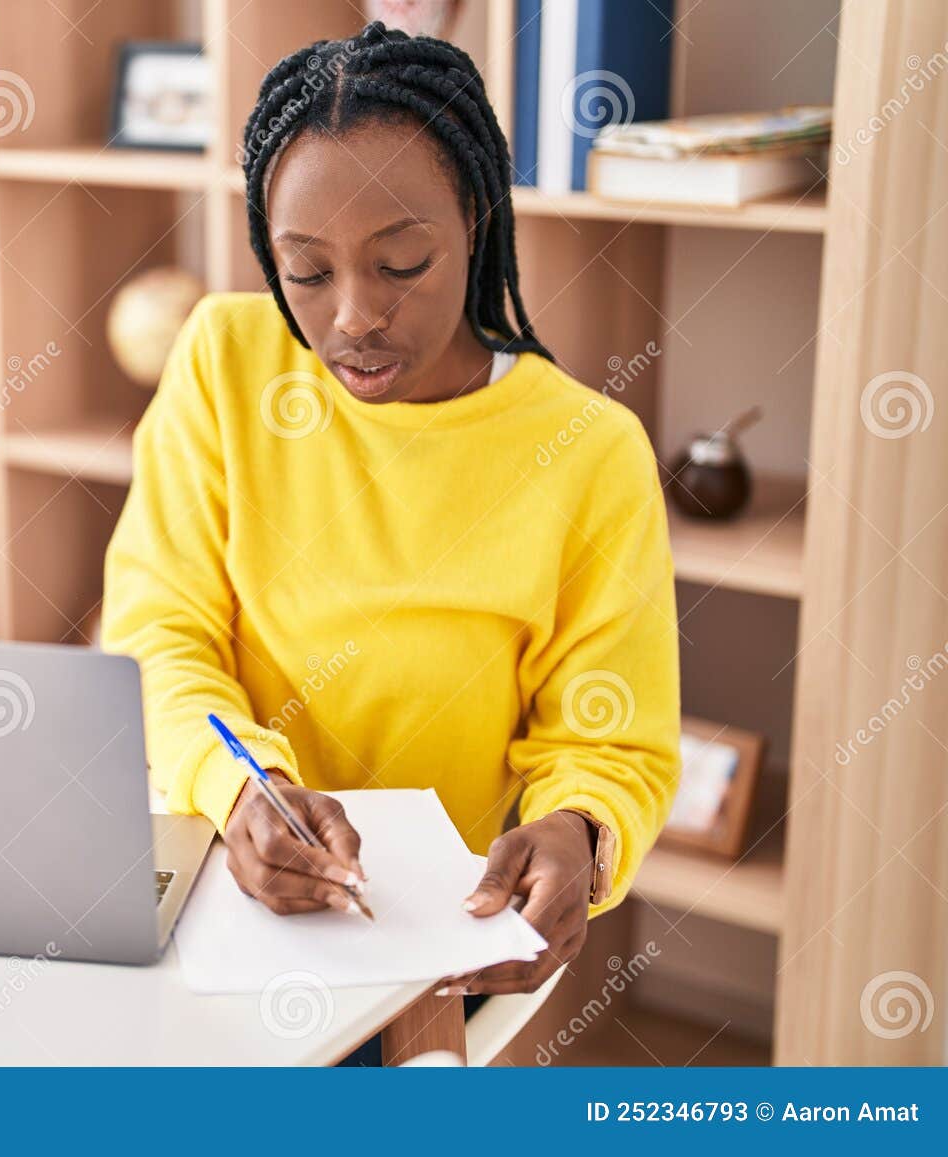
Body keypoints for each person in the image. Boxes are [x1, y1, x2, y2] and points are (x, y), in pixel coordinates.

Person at [100, 22, 680, 1022]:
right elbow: (160, 629)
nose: (353, 316)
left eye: (402, 263)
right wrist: (240, 786)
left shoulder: (588, 450)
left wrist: (578, 829)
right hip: (214, 886)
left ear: (477, 223)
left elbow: (608, 738)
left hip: (423, 939)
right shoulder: (224, 361)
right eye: (308, 272)